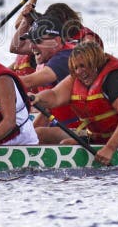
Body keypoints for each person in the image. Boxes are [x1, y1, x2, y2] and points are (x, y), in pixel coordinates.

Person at [31, 41, 118, 165]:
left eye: (83, 66)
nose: (79, 72)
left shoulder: (117, 79)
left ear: (96, 63)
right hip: (110, 138)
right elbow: (55, 96)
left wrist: (109, 149)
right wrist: (36, 98)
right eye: (76, 67)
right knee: (64, 144)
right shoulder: (77, 78)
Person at [17, 15, 82, 144]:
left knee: (37, 134)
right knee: (26, 134)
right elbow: (47, 109)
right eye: (31, 41)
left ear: (57, 41)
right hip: (64, 127)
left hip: (83, 130)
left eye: (38, 41)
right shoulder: (47, 60)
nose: (32, 47)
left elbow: (28, 81)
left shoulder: (67, 57)